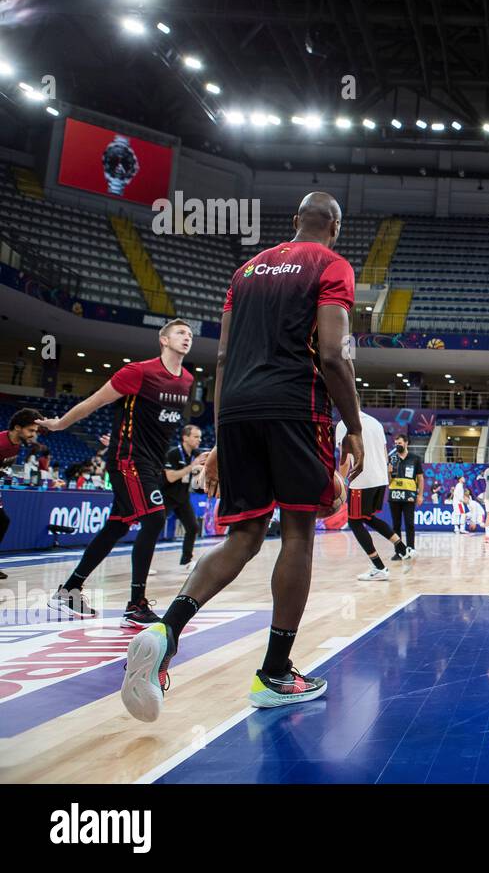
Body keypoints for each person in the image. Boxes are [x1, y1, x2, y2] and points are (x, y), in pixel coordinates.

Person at [120, 191, 363, 721]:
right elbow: (332, 354)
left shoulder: (245, 272)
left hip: (236, 412)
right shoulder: (332, 265)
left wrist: (217, 440)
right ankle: (275, 672)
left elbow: (224, 356)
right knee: (297, 534)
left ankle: (166, 630)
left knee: (243, 536)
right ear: (335, 227)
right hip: (295, 407)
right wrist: (355, 427)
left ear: (294, 220)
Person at [41, 320, 195, 624]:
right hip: (128, 460)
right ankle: (136, 604)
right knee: (155, 518)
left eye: (190, 334)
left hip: (150, 462)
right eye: (180, 332)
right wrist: (59, 424)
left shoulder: (187, 380)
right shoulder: (139, 372)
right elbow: (94, 402)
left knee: (117, 527)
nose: (187, 337)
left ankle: (69, 590)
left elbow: (153, 424)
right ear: (163, 340)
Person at [340, 411, 409, 582]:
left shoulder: (344, 424)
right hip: (380, 479)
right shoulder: (376, 423)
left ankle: (379, 567)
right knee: (366, 517)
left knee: (354, 522)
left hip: (362, 479)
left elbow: (345, 460)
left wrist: (340, 483)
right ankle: (402, 547)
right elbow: (385, 454)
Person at [0, 407, 43, 579]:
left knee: (2, 521)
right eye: (31, 430)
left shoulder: (17, 445)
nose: (33, 434)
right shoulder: (1, 443)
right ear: (17, 428)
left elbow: (6, 470)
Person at [162, 424, 207, 568]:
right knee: (153, 528)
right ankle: (144, 563)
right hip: (166, 496)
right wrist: (192, 466)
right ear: (185, 438)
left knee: (193, 527)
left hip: (183, 496)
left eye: (200, 437)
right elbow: (170, 478)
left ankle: (186, 560)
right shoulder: (173, 453)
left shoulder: (196, 454)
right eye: (196, 437)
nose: (199, 440)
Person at [387, 433, 423, 549]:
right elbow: (388, 481)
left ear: (406, 443)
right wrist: (388, 472)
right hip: (394, 496)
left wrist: (420, 495)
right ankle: (399, 551)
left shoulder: (415, 458)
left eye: (400, 443)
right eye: (396, 443)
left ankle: (410, 549)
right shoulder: (391, 459)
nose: (397, 445)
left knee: (409, 524)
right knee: (396, 525)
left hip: (409, 496)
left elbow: (420, 478)